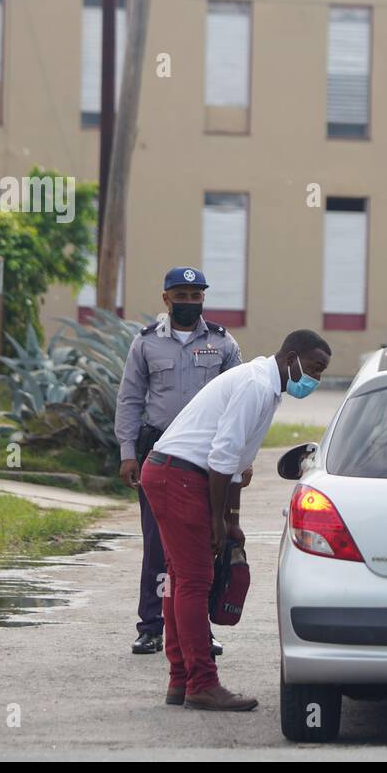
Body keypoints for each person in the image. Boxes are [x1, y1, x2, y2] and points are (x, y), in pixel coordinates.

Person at [140, 329, 331, 711]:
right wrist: (216, 519)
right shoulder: (255, 386)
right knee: (195, 582)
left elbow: (238, 468)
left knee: (182, 580)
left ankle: (182, 681)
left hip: (174, 473)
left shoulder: (267, 388)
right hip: (178, 475)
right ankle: (201, 684)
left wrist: (232, 520)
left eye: (322, 373)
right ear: (291, 356)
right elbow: (223, 456)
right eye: (313, 368)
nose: (315, 379)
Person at [115, 267, 241, 655]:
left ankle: (199, 627)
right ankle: (151, 626)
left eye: (196, 295)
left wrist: (241, 460)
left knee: (205, 543)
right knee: (157, 544)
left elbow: (241, 402)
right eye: (181, 296)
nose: (189, 302)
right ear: (166, 299)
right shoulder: (146, 343)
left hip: (209, 456)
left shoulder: (222, 343)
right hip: (158, 452)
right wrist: (127, 453)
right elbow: (130, 399)